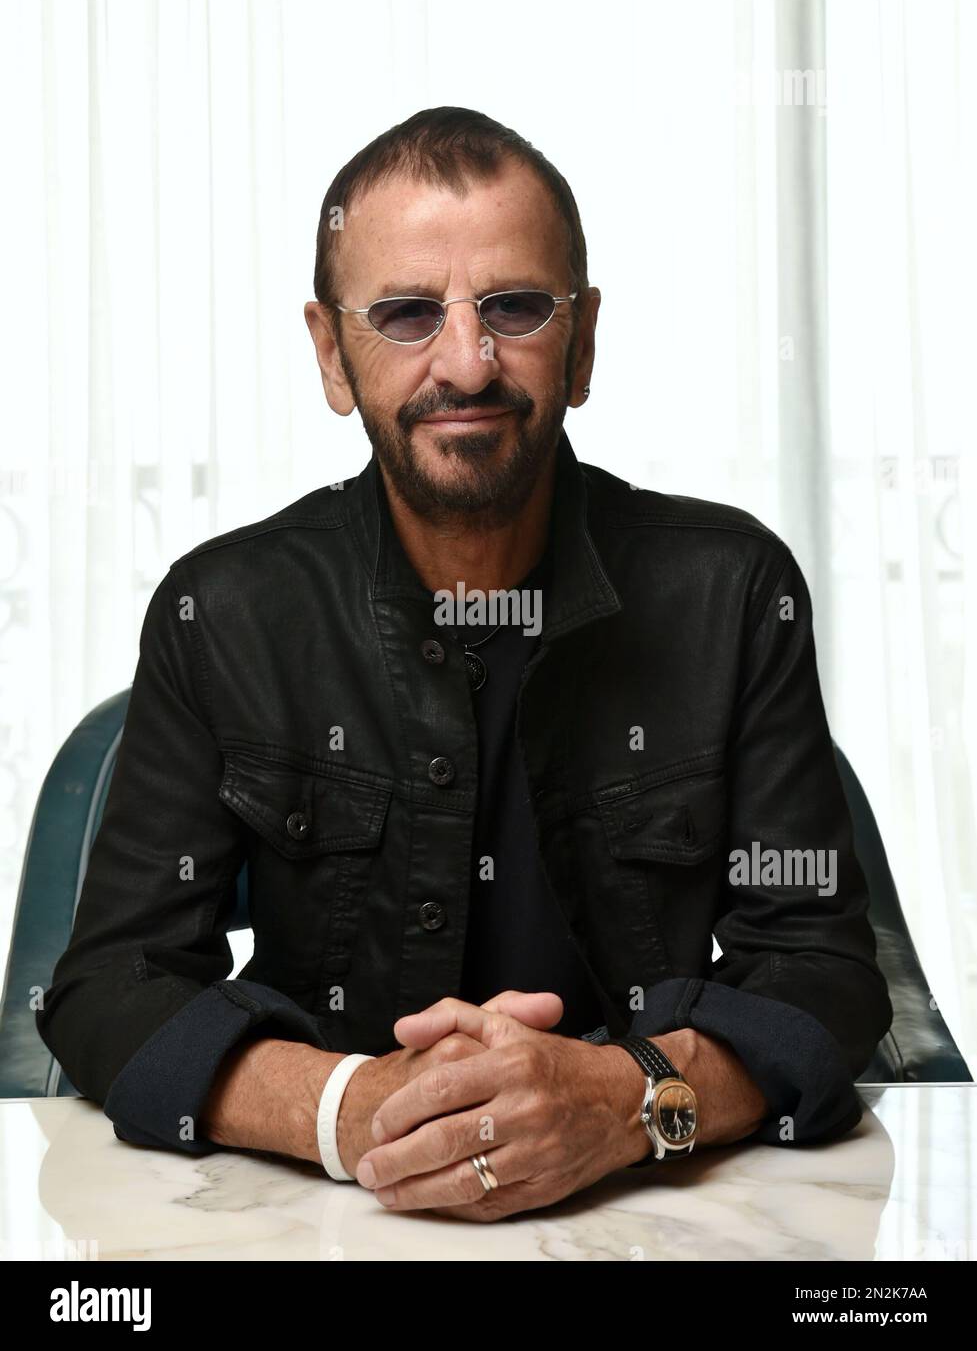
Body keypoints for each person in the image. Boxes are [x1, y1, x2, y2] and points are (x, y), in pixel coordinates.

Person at [37, 107, 892, 1222]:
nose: (464, 361)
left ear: (580, 343)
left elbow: (823, 973)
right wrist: (348, 1106)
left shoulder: (731, 594)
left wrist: (623, 1096)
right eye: (402, 314)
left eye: (515, 308)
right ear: (330, 353)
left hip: (655, 1220)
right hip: (318, 1225)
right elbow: (109, 984)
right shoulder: (225, 611)